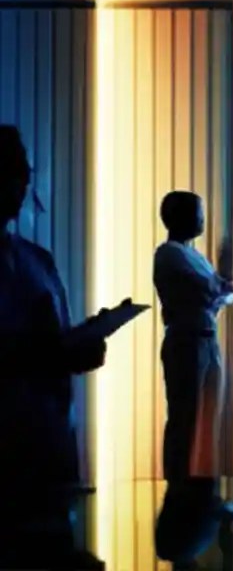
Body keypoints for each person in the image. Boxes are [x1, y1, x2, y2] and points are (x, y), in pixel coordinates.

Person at [0, 124, 107, 484]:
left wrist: (83, 345)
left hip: (48, 440)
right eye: (10, 173)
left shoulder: (37, 259)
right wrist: (54, 353)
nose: (22, 186)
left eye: (22, 174)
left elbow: (55, 340)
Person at [154, 191, 233, 481]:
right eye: (198, 212)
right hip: (186, 341)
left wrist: (221, 286)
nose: (202, 218)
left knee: (208, 417)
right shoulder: (169, 253)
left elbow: (219, 292)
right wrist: (222, 280)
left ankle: (202, 483)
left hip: (207, 339)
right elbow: (214, 290)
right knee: (184, 418)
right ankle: (178, 483)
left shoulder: (195, 256)